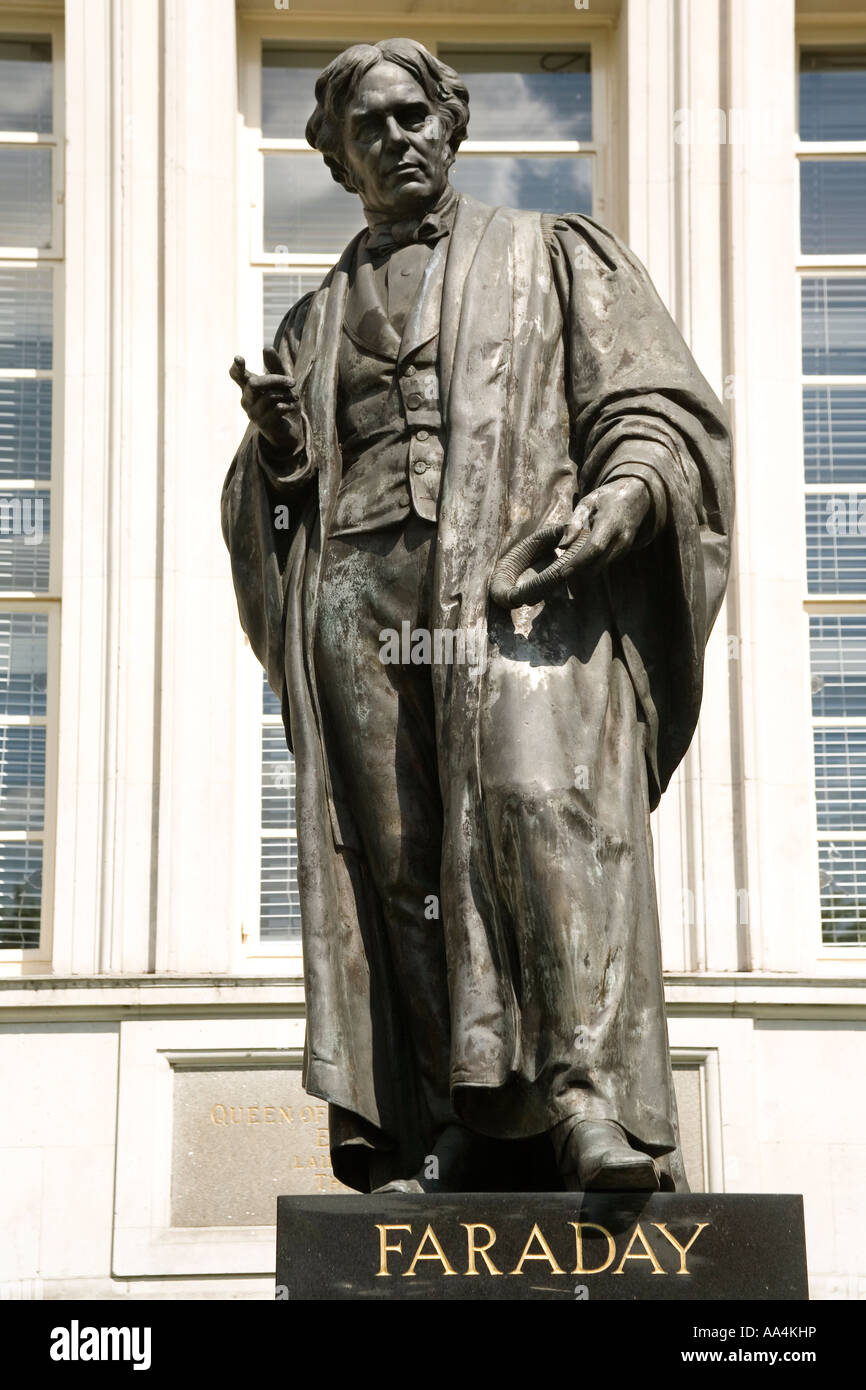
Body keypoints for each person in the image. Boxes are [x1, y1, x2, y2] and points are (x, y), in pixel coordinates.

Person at [222, 39, 733, 1194]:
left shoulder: (549, 255)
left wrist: (622, 497)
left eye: (416, 117)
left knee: (535, 805)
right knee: (401, 865)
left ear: (451, 128)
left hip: (513, 589)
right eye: (372, 128)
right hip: (360, 598)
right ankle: (460, 1116)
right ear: (341, 160)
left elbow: (652, 404)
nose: (399, 137)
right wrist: (284, 451)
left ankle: (584, 1101)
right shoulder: (310, 322)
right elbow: (268, 502)